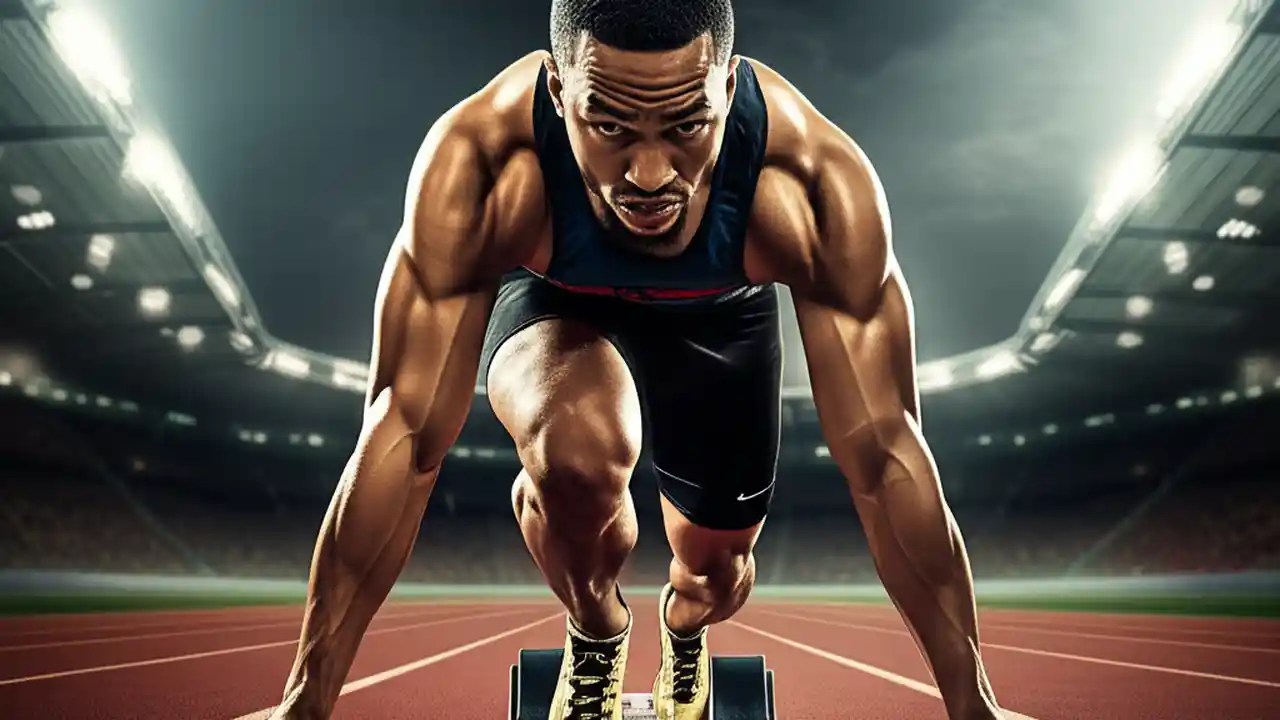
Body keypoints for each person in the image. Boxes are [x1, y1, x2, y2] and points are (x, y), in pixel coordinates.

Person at [270, 1, 1005, 718]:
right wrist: (302, 707)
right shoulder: (488, 165)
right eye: (610, 126)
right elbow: (402, 438)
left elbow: (885, 458)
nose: (650, 175)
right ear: (558, 89)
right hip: (562, 304)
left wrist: (976, 708)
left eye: (686, 125)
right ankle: (596, 629)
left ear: (727, 86)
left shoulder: (808, 186)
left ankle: (684, 632)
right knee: (575, 456)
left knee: (717, 573)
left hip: (720, 317)